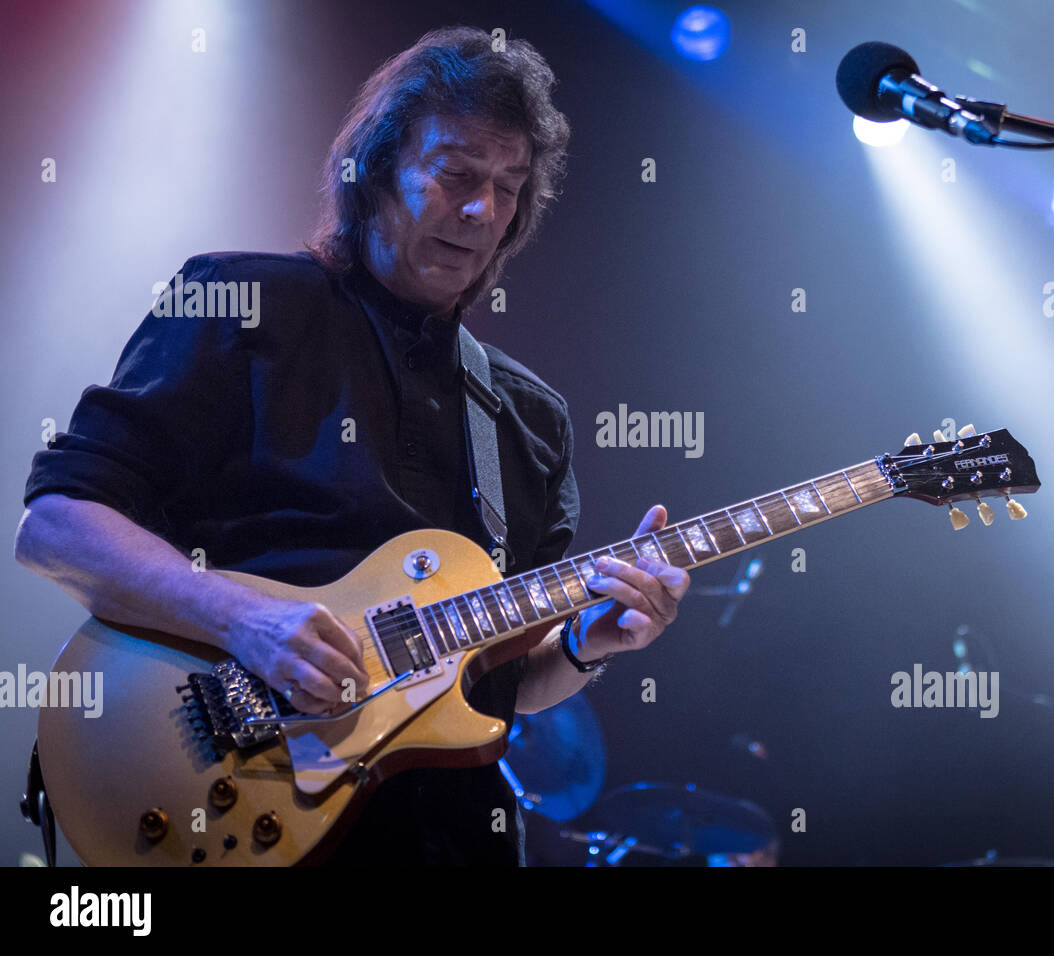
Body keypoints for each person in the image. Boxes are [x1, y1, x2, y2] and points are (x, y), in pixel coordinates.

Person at [13, 25, 690, 866]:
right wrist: (246, 619)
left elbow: (504, 684)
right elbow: (57, 526)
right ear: (372, 171)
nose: (482, 210)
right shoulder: (242, 303)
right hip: (227, 796)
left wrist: (591, 643)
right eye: (455, 174)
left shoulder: (528, 417)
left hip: (445, 836)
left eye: (509, 186)